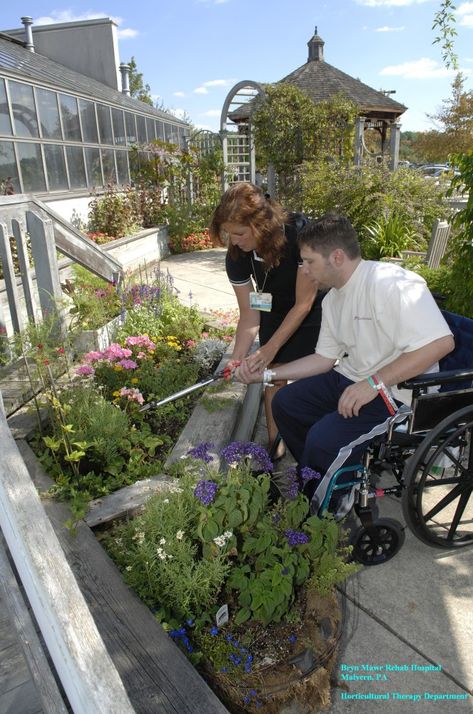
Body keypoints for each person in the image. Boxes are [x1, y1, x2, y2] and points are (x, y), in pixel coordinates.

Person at [235, 213, 454, 494]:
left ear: (337, 257)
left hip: (400, 392)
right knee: (286, 403)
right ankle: (325, 476)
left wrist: (374, 383)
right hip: (355, 378)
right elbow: (324, 359)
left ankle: (330, 501)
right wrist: (265, 374)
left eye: (309, 262)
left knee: (323, 438)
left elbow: (441, 344)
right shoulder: (335, 298)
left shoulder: (391, 284)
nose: (303, 270)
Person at [209, 182, 324, 458]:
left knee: (317, 374)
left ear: (260, 224)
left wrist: (268, 348)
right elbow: (250, 315)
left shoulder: (297, 238)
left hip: (309, 312)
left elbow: (303, 303)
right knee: (272, 378)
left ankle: (319, 439)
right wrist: (236, 358)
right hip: (272, 310)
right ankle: (275, 447)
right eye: (228, 234)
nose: (233, 241)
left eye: (238, 233)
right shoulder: (237, 256)